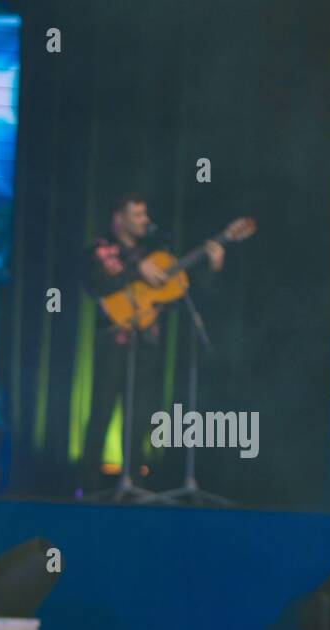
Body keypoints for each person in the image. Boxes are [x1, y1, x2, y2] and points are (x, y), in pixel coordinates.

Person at [79, 193, 224, 492]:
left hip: (147, 345)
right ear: (119, 219)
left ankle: (134, 487)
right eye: (138, 215)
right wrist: (136, 269)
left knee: (139, 418)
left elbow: (184, 291)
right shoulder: (100, 249)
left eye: (145, 214)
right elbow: (96, 285)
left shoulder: (156, 252)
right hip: (112, 344)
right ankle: (88, 491)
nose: (145, 220)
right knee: (101, 415)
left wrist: (213, 266)